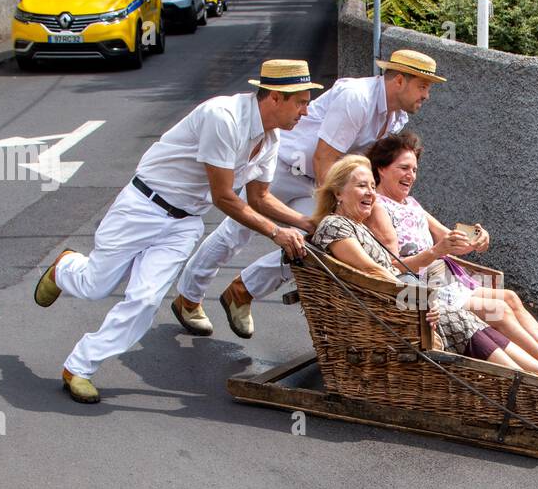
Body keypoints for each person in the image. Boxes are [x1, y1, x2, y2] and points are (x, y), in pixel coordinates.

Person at [32, 59, 322, 404]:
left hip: (184, 224)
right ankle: (65, 267)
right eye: (301, 102)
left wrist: (306, 223)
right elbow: (224, 197)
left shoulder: (270, 139)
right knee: (95, 286)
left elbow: (259, 197)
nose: (306, 111)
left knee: (144, 299)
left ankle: (79, 367)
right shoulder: (223, 118)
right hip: (143, 206)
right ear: (275, 97)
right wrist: (277, 233)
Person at [170, 49, 444, 339]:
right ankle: (189, 298)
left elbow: (356, 165)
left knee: (319, 244)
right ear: (399, 80)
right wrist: (341, 211)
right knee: (235, 233)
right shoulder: (358, 98)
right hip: (284, 167)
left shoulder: (396, 116)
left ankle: (242, 290)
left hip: (317, 181)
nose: (426, 95)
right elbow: (324, 157)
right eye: (422, 86)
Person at [364, 131, 538, 378]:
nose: (411, 175)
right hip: (425, 289)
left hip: (447, 281)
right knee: (499, 310)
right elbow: (394, 266)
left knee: (510, 298)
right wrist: (436, 251)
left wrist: (477, 238)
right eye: (404, 168)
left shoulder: (410, 203)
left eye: (415, 170)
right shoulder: (379, 207)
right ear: (381, 169)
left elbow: (450, 237)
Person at [312, 156, 538, 375]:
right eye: (361, 186)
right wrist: (421, 298)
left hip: (420, 290)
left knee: (489, 308)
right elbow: (374, 271)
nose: (370, 193)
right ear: (338, 193)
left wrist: (477, 237)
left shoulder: (385, 215)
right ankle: (534, 377)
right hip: (397, 302)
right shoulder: (340, 223)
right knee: (481, 315)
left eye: (371, 187)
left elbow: (445, 239)